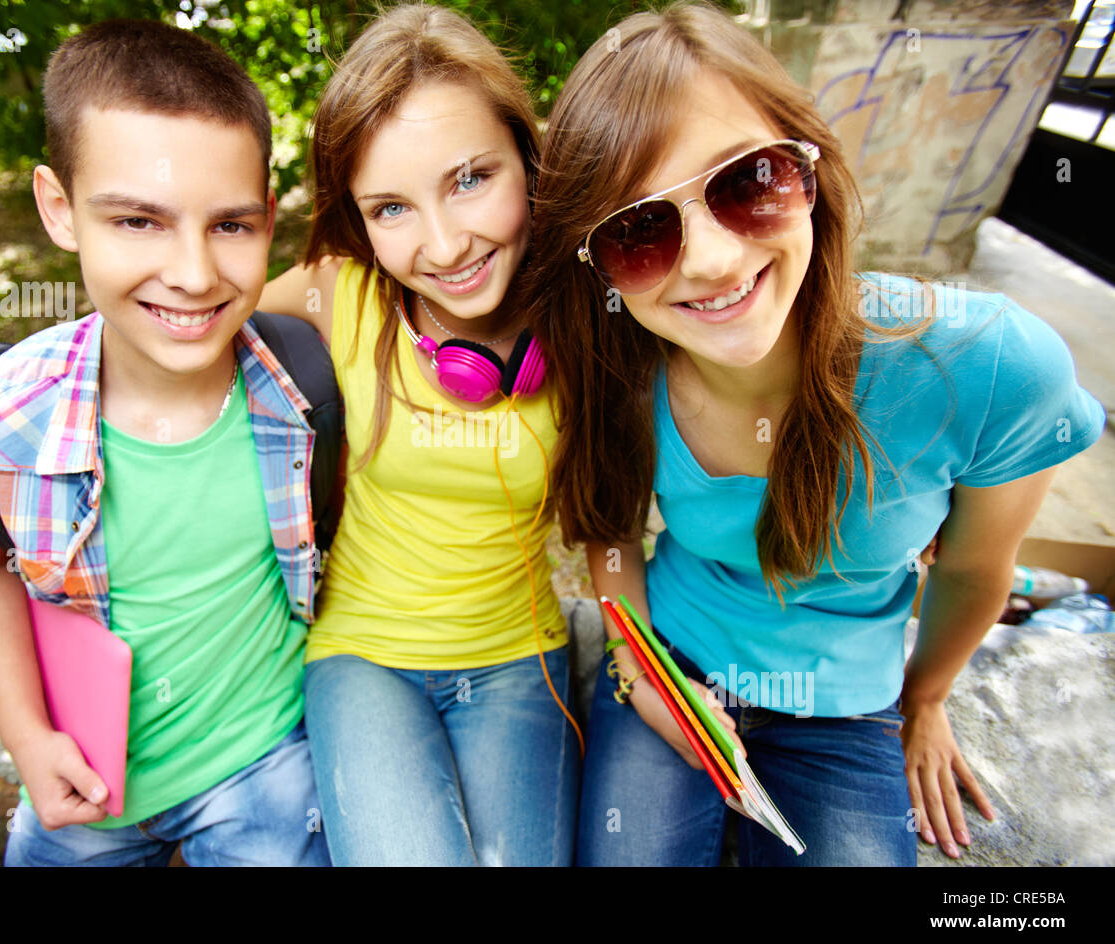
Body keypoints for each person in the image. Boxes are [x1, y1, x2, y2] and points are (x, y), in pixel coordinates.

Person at [524, 1, 1105, 866]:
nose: (713, 260)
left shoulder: (991, 366)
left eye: (748, 182)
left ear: (813, 169)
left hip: (850, 707)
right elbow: (608, 531)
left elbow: (978, 572)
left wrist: (929, 701)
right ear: (597, 266)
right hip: (677, 661)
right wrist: (641, 669)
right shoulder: (616, 368)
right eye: (641, 230)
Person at [0, 19, 329, 866]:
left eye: (231, 225)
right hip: (81, 789)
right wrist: (25, 736)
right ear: (58, 209)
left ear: (268, 222)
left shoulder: (305, 379)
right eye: (139, 221)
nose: (195, 273)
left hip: (265, 770)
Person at [256, 3, 578, 865]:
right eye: (391, 208)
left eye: (472, 178)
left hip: (523, 660)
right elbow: (175, 323)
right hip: (363, 655)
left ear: (528, 157)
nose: (444, 245)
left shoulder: (593, 311)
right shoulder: (340, 292)